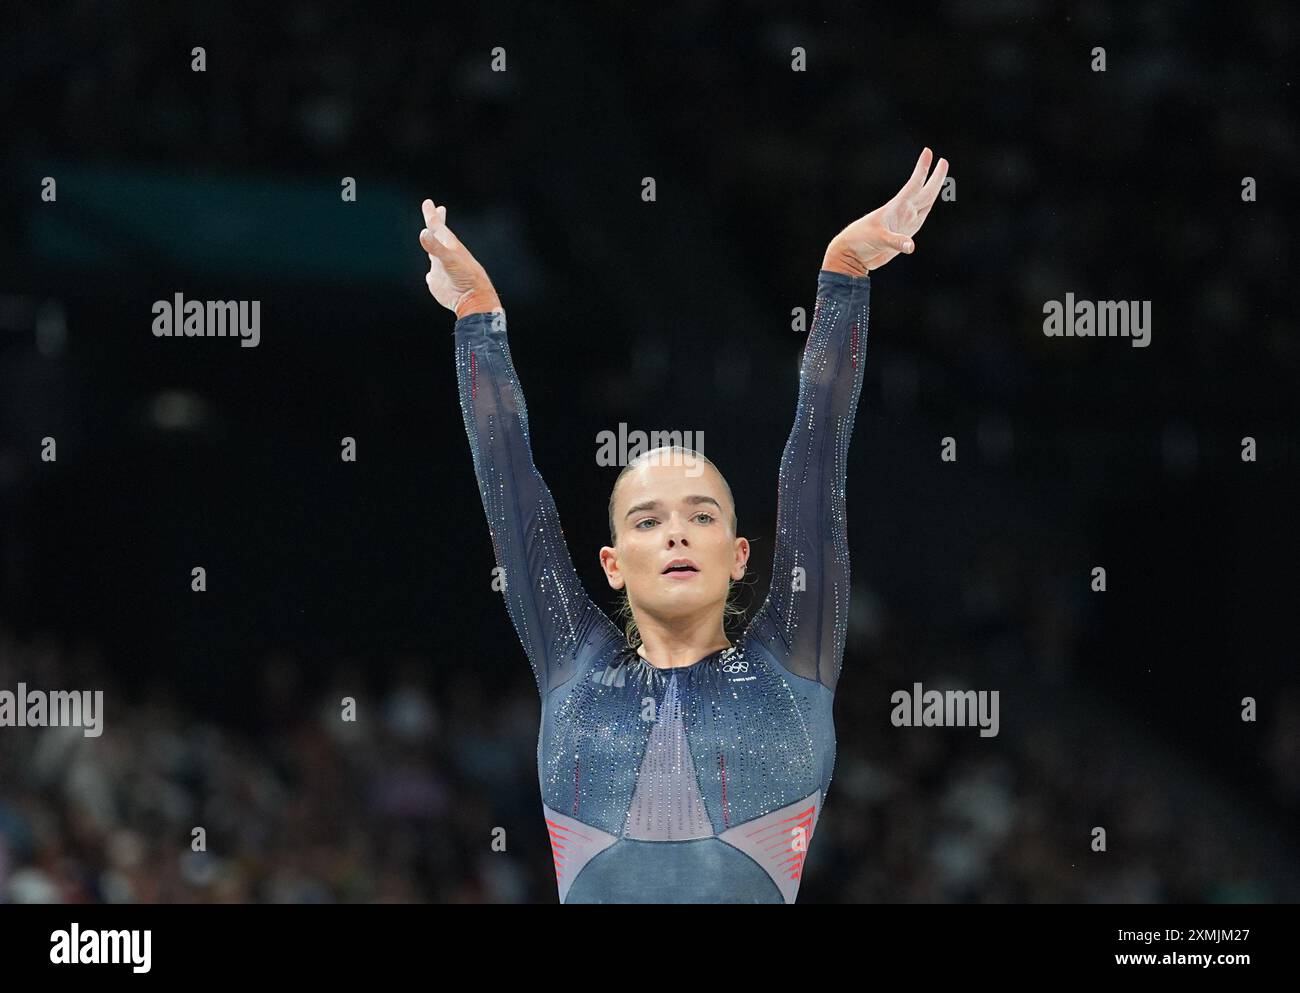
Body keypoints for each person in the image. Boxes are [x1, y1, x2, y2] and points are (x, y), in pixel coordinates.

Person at [419, 147, 949, 903]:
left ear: (738, 555)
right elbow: (512, 489)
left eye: (701, 515)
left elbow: (816, 456)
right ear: (610, 562)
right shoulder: (572, 662)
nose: (675, 532)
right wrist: (478, 320)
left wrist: (844, 274)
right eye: (647, 519)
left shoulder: (794, 659)